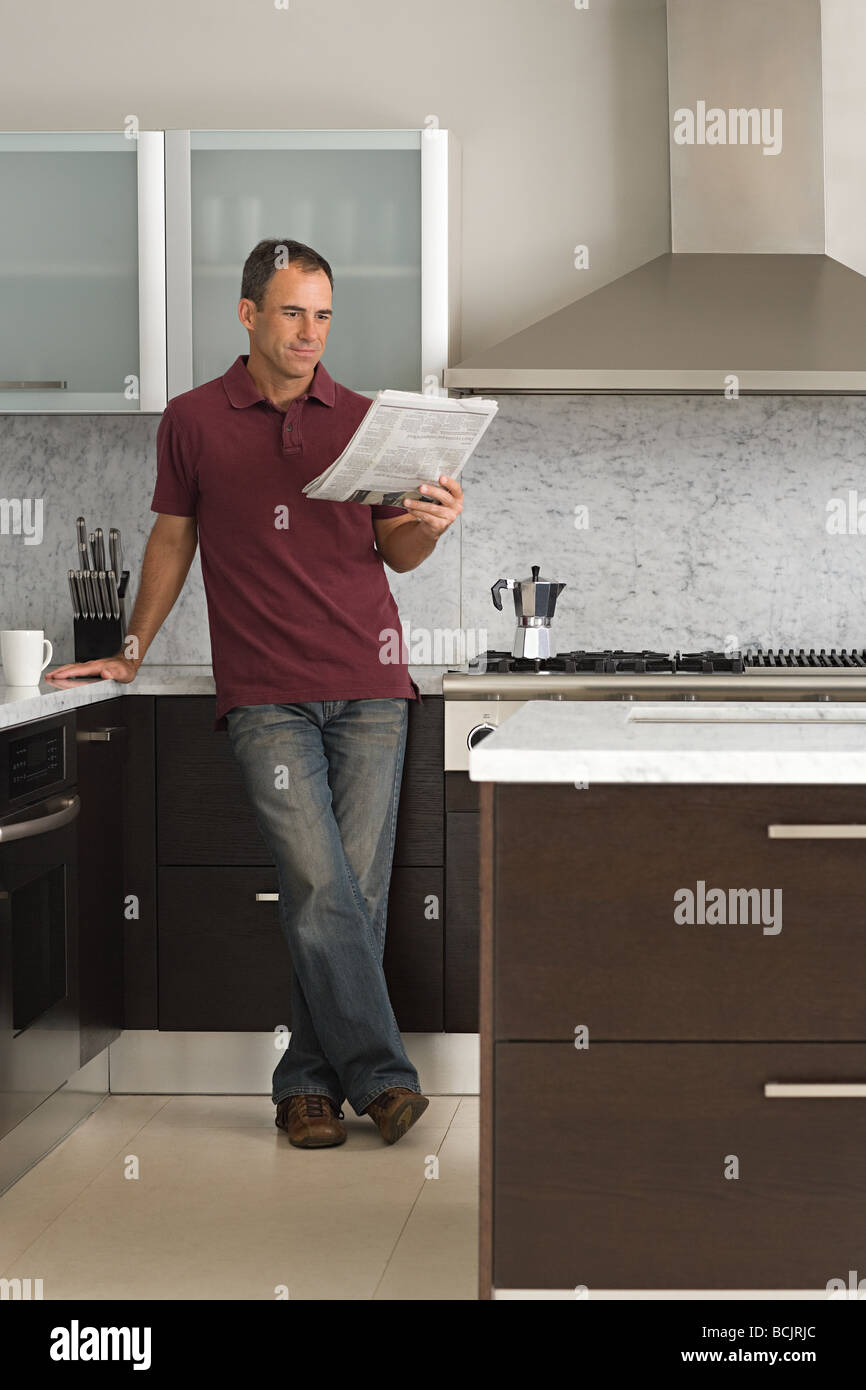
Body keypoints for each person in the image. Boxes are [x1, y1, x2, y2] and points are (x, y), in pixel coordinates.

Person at [49, 238, 463, 1149]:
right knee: (317, 882)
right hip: (265, 694)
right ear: (247, 315)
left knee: (348, 891)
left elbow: (396, 550)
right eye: (291, 312)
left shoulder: (363, 419)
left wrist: (429, 525)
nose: (310, 331)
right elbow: (171, 540)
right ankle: (384, 1077)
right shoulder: (194, 420)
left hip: (371, 686)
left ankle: (306, 1087)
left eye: (322, 315)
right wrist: (129, 649)